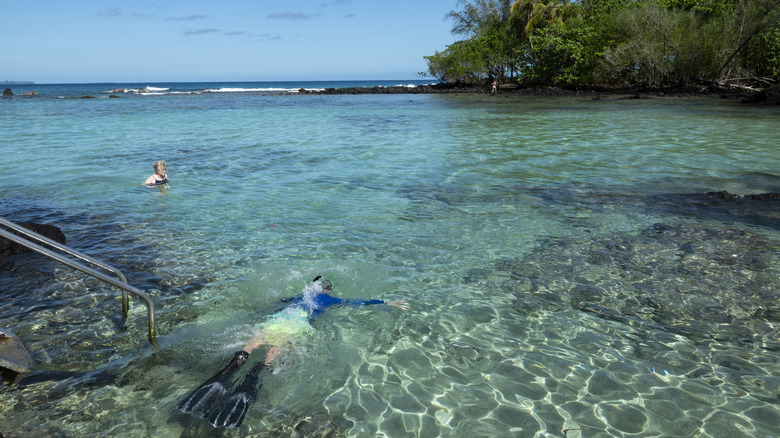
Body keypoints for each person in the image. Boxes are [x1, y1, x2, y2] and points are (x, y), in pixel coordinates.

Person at [177, 276, 409, 429]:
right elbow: (357, 302)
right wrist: (387, 302)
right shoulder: (329, 299)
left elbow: (278, 301)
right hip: (297, 326)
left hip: (279, 319)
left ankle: (228, 372)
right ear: (327, 289)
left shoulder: (299, 297)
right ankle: (251, 381)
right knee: (273, 353)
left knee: (253, 343)